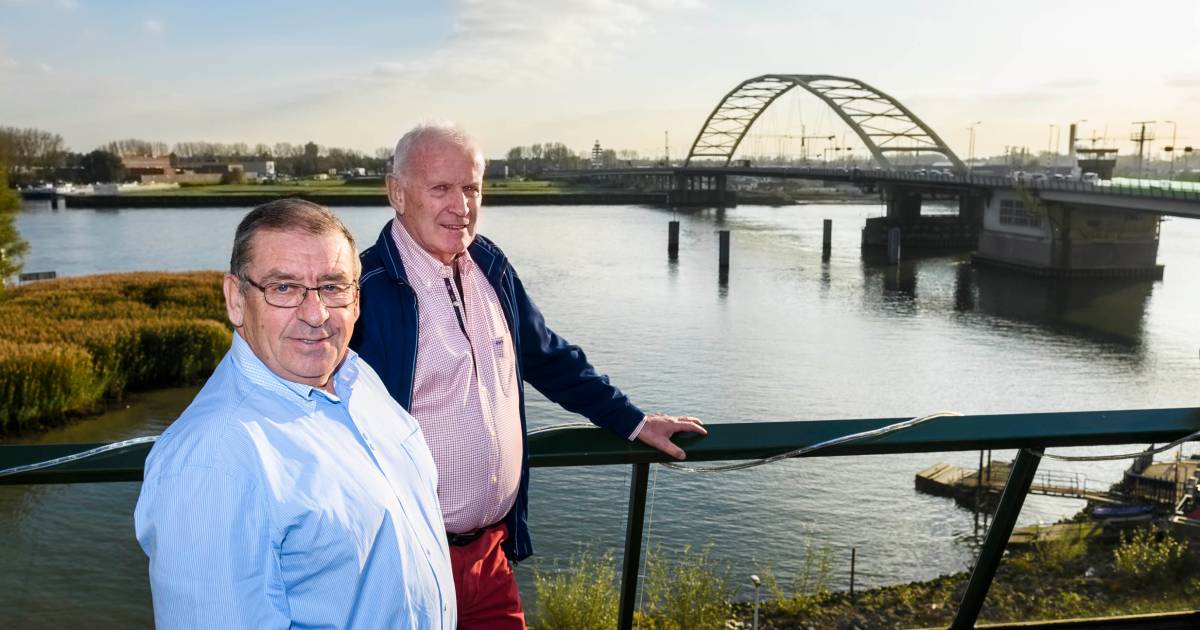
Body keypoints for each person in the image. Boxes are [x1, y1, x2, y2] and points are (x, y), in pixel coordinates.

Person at [351, 122, 706, 628]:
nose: (462, 206)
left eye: (472, 188)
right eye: (441, 188)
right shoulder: (363, 292)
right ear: (396, 193)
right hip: (407, 560)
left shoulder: (490, 266)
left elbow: (548, 357)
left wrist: (634, 422)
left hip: (491, 554)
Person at [134, 199, 455, 629]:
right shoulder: (213, 459)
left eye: (332, 286)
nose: (316, 314)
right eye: (283, 288)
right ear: (235, 299)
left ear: (357, 300)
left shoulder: (358, 380)